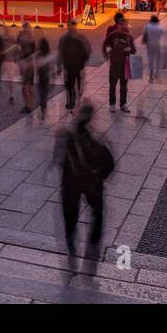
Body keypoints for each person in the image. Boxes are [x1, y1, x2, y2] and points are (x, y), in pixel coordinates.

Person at [55, 103, 114, 262]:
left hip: (71, 184)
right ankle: (94, 239)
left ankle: (70, 238)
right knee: (98, 211)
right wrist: (99, 176)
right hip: (91, 184)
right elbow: (110, 164)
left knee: (71, 214)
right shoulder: (97, 140)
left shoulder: (66, 137)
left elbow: (59, 160)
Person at [102, 12, 135, 112]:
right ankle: (112, 104)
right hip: (115, 63)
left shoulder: (129, 36)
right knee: (113, 85)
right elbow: (106, 44)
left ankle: (123, 104)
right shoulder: (112, 35)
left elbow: (133, 50)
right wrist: (108, 55)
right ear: (119, 24)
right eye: (123, 25)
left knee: (124, 86)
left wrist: (130, 50)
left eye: (125, 26)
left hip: (125, 64)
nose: (125, 27)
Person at [57, 21, 90, 111]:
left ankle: (76, 100)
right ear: (68, 28)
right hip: (69, 66)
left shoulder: (80, 38)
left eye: (74, 27)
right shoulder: (64, 39)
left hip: (79, 66)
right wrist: (60, 65)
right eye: (71, 27)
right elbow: (61, 52)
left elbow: (86, 49)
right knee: (70, 85)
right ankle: (71, 102)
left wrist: (83, 61)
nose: (73, 29)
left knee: (79, 86)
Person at [35, 36, 52, 122]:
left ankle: (42, 112)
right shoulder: (48, 55)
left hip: (41, 77)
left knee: (41, 95)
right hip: (46, 77)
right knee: (43, 96)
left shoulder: (37, 55)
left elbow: (37, 65)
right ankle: (43, 111)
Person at [142, 14, 164, 82]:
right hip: (157, 45)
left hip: (149, 45)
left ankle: (151, 75)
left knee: (150, 60)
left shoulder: (147, 26)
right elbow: (162, 33)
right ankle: (156, 73)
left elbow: (145, 34)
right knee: (157, 60)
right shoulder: (159, 27)